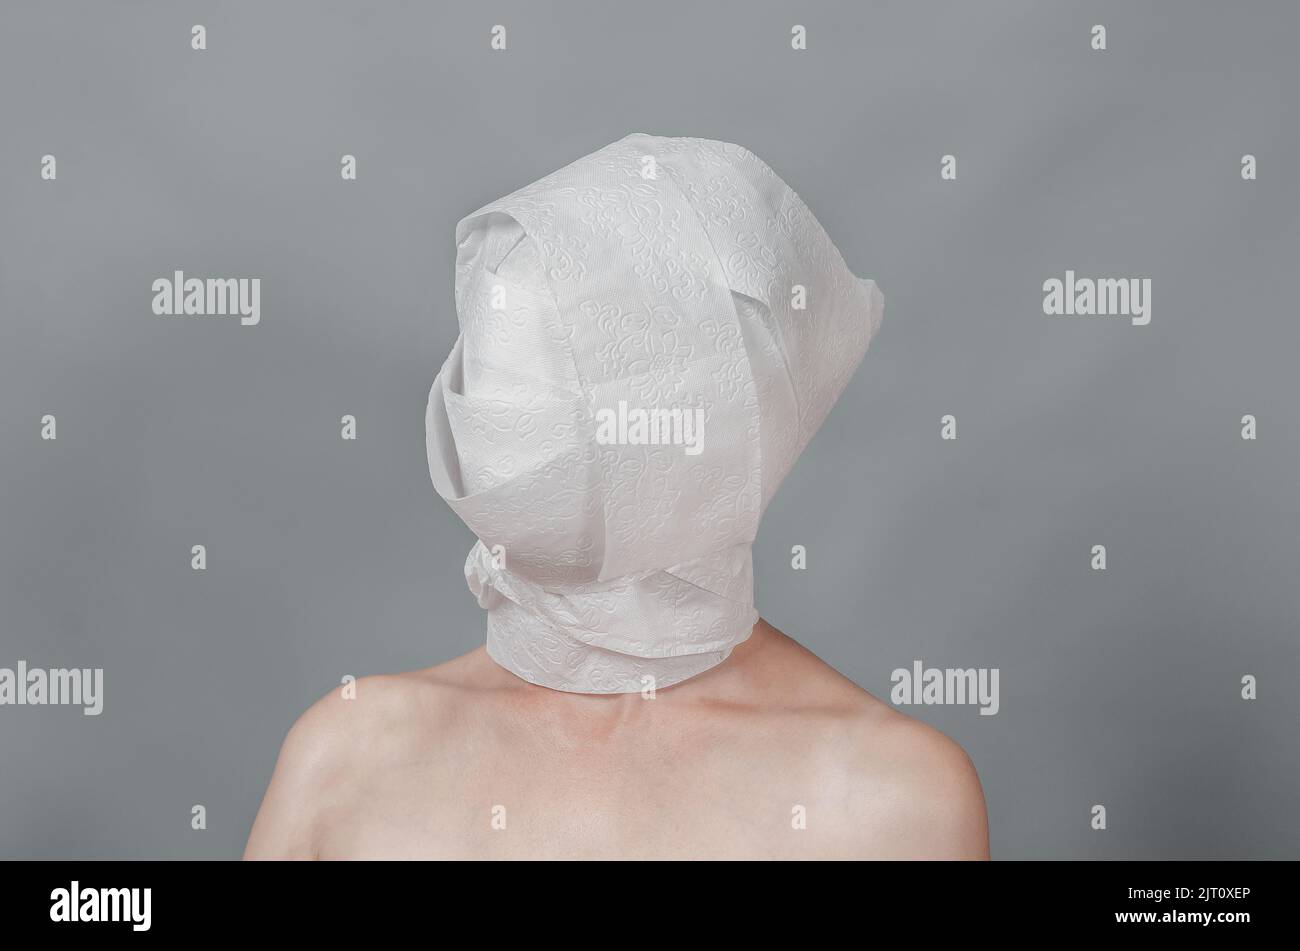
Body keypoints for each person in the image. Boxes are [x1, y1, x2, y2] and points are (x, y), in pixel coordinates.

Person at [245, 134, 988, 860]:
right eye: (497, 366)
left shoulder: (891, 798)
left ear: (720, 417)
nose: (503, 416)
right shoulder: (346, 758)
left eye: (560, 379)